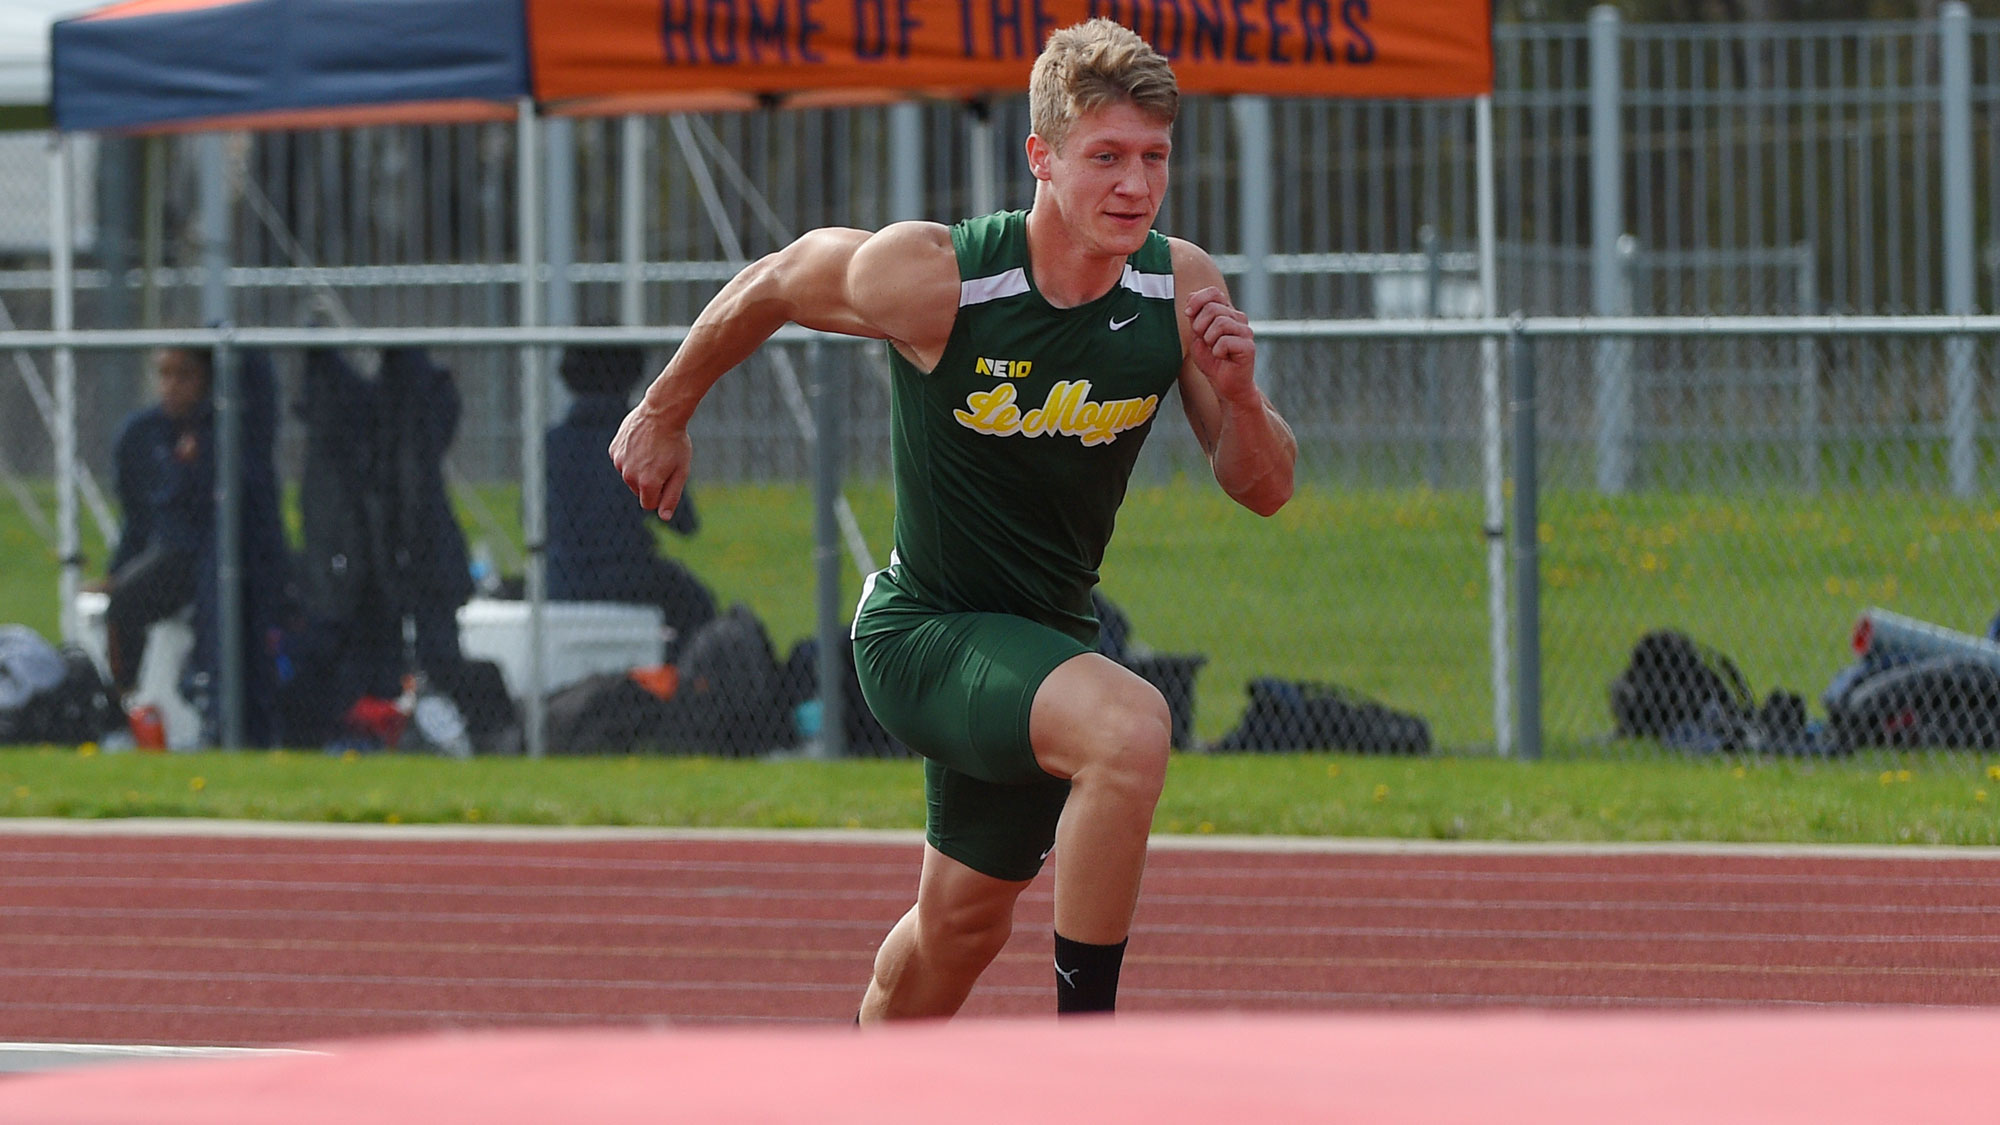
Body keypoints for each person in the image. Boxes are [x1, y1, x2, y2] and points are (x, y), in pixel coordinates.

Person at [610, 19, 1296, 1021]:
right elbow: (780, 278)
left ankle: (868, 1089)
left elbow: (1264, 486)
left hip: (1038, 648)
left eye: (1153, 159)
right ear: (1041, 158)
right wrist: (663, 412)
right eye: (1103, 157)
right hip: (920, 635)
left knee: (959, 930)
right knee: (1129, 729)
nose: (1133, 187)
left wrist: (1240, 397)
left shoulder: (1175, 285)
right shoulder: (941, 278)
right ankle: (1087, 1056)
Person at [548, 343, 717, 651]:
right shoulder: (641, 442)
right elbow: (684, 522)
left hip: (562, 578)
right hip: (628, 577)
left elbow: (530, 517)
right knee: (698, 604)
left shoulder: (552, 443)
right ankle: (679, 685)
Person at [99, 347, 213, 698]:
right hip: (170, 553)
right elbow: (136, 518)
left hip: (207, 552)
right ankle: (126, 701)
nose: (171, 386)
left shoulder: (223, 430)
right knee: (121, 603)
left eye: (184, 375)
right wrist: (117, 572)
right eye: (164, 374)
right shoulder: (139, 434)